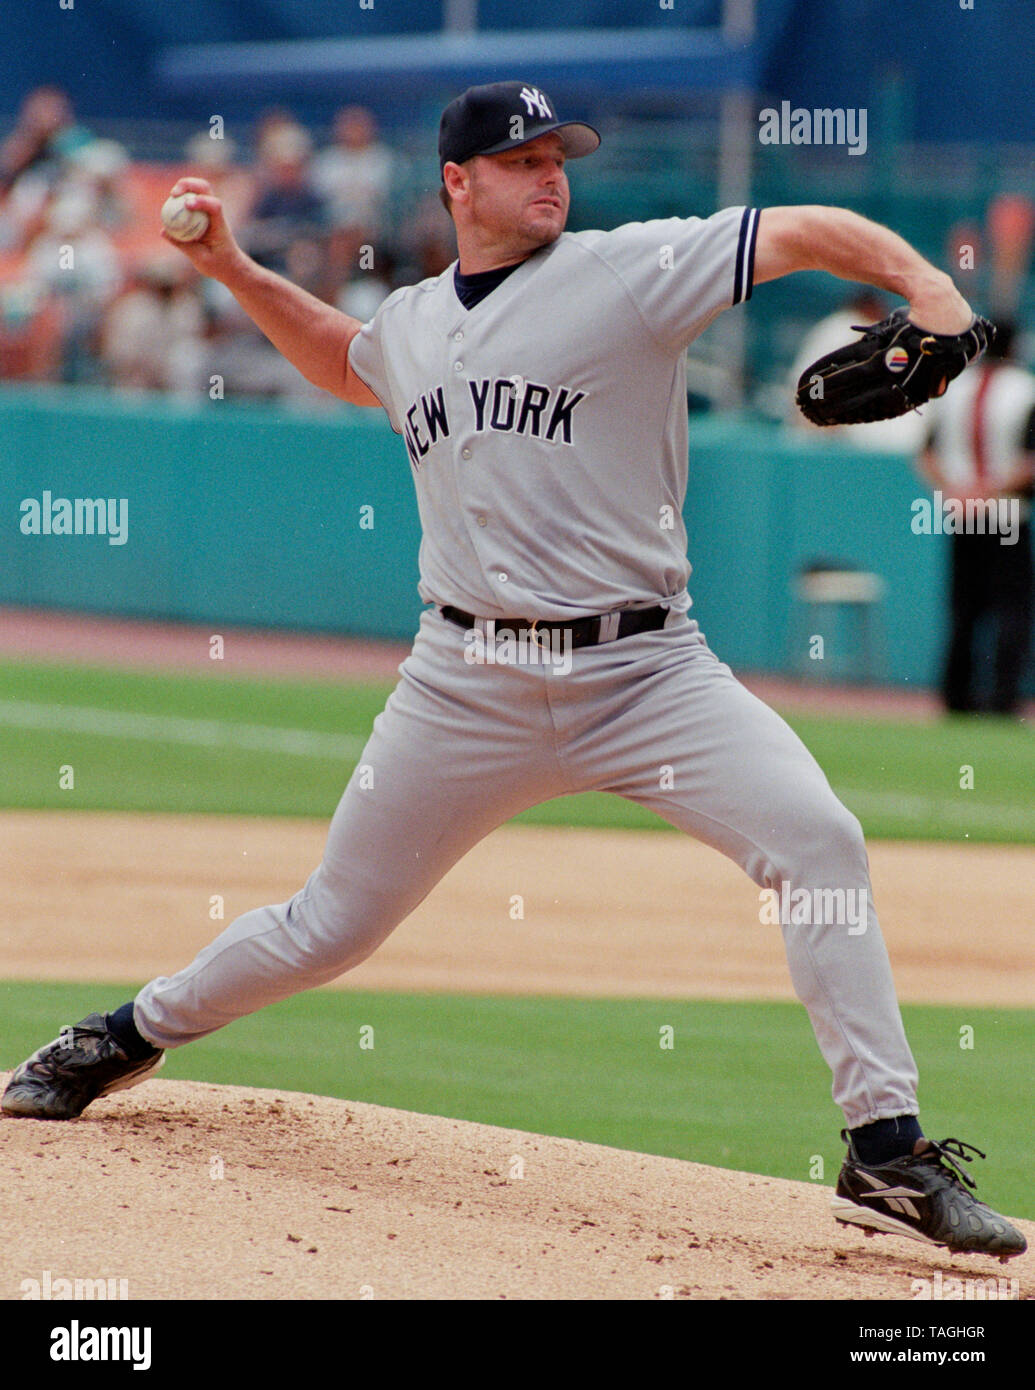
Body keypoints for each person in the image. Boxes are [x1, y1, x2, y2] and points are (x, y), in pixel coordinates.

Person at [3, 82, 1024, 1261]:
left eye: (558, 155)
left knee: (821, 842)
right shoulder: (419, 323)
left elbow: (795, 229)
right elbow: (348, 359)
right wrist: (231, 265)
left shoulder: (626, 270)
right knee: (331, 923)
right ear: (457, 182)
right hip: (464, 682)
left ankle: (884, 1150)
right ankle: (123, 1032)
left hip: (650, 672)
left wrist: (931, 291)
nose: (549, 173)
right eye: (519, 157)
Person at [916, 318, 1035, 715]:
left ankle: (956, 696)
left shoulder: (955, 388)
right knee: (1012, 609)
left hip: (962, 512)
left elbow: (925, 455)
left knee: (964, 608)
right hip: (1006, 513)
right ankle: (1002, 699)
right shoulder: (1025, 390)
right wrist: (990, 489)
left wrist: (957, 491)